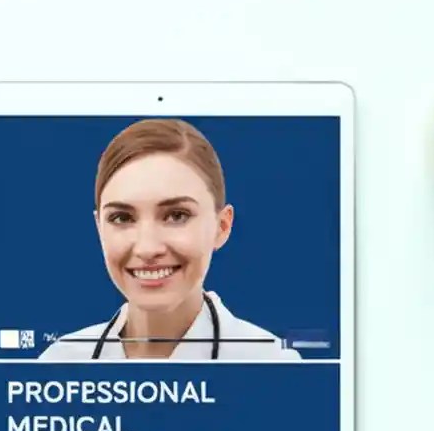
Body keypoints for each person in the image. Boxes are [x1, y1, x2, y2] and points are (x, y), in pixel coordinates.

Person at [38, 118, 299, 361]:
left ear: (222, 226)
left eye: (176, 215)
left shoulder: (274, 366)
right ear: (99, 229)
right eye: (122, 218)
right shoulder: (59, 363)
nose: (147, 248)